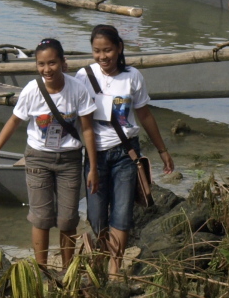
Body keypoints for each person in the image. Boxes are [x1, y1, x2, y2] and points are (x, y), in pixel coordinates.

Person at [0, 39, 98, 269]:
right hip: (37, 159)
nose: (47, 69)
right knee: (41, 218)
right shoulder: (32, 90)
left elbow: (87, 129)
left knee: (68, 219)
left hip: (70, 160)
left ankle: (68, 270)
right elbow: (14, 121)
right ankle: (41, 269)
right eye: (41, 64)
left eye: (52, 63)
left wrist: (93, 167)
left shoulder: (77, 89)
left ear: (63, 63)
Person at [76, 25, 174, 278]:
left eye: (107, 50)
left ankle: (115, 266)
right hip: (95, 155)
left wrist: (163, 150)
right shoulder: (83, 76)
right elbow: (74, 115)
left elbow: (144, 115)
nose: (102, 56)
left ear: (119, 48)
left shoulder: (132, 76)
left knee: (121, 212)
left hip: (126, 152)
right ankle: (99, 256)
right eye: (97, 51)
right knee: (97, 214)